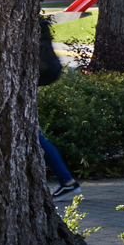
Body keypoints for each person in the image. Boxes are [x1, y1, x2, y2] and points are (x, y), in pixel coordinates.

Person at [37, 16, 80, 199]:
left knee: (35, 136)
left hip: (37, 73)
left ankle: (67, 182)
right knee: (34, 135)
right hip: (44, 72)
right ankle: (66, 181)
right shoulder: (36, 22)